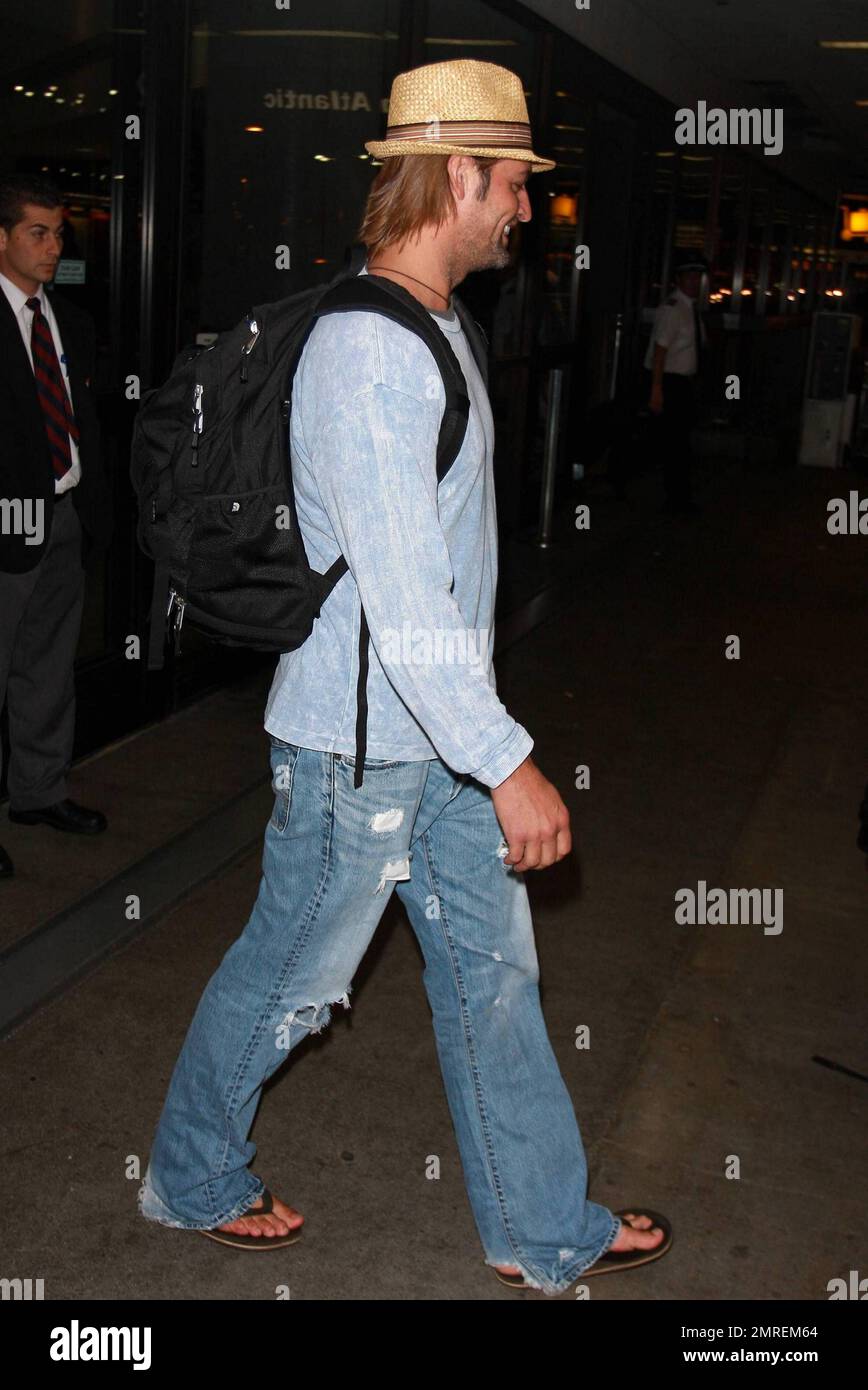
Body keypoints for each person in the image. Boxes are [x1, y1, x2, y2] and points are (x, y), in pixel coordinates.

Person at [138, 58, 671, 1296]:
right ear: (456, 175)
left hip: (428, 745)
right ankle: (188, 1174)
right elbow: (402, 593)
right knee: (290, 980)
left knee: (496, 977)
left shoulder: (436, 325)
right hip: (360, 756)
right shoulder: (369, 354)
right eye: (512, 184)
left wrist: (476, 751)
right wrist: (509, 762)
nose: (525, 209)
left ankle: (538, 1225)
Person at [0, 175, 113, 881]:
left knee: (48, 671)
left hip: (63, 514)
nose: (52, 246)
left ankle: (38, 794)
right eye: (37, 233)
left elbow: (86, 419)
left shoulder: (69, 320)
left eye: (58, 234)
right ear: (2, 237)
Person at [644, 250, 709, 515]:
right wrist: (657, 390)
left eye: (698, 277)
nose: (694, 282)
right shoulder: (673, 309)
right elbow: (659, 351)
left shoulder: (689, 309)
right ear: (679, 280)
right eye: (690, 277)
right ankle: (676, 500)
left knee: (680, 442)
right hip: (671, 383)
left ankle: (679, 497)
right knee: (676, 444)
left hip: (683, 383)